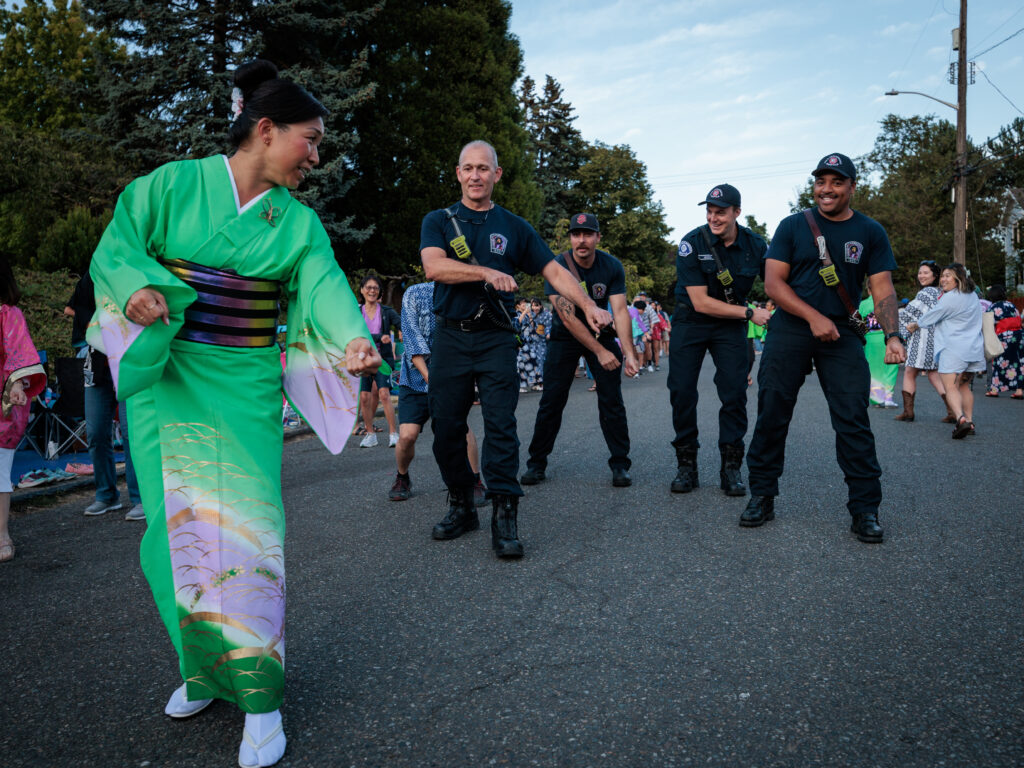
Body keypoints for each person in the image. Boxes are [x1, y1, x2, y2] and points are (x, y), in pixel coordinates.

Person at [87, 60, 380, 768]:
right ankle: (203, 670)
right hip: (170, 379)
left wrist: (351, 340)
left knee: (246, 536)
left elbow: (326, 289)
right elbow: (115, 249)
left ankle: (260, 700)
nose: (316, 154)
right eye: (308, 139)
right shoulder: (170, 186)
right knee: (173, 533)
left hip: (243, 380)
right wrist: (132, 292)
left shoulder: (299, 223)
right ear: (265, 128)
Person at [420, 140, 611, 559]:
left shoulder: (514, 226)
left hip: (495, 338)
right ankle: (461, 502)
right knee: (447, 427)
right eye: (468, 168)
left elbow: (554, 271)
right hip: (451, 336)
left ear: (496, 174)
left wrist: (589, 305)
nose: (475, 176)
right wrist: (485, 271)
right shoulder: (438, 220)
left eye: (483, 169)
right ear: (458, 173)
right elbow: (434, 266)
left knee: (501, 426)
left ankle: (505, 514)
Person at [741, 154, 906, 543]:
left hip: (843, 335)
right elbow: (774, 285)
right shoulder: (793, 226)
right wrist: (813, 317)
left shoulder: (870, 231)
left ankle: (865, 508)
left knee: (853, 420)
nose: (826, 189)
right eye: (821, 181)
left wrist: (894, 335)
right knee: (772, 414)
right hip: (790, 331)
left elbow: (881, 288)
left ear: (851, 187)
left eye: (836, 182)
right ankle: (761, 495)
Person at [520, 213, 639, 487]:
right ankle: (536, 463)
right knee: (552, 401)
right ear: (570, 237)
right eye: (576, 234)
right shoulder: (558, 265)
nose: (581, 240)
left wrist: (629, 353)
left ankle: (620, 464)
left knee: (612, 401)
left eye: (587, 234)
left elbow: (620, 311)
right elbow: (567, 317)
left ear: (598, 237)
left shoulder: (611, 266)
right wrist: (599, 352)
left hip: (603, 334)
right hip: (565, 337)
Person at [668, 184, 770, 496]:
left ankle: (731, 468)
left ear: (737, 212)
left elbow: (777, 282)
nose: (714, 217)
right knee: (682, 391)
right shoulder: (692, 242)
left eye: (721, 212)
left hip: (729, 326)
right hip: (692, 320)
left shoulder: (756, 245)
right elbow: (701, 302)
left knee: (734, 393)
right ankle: (687, 466)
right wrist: (751, 313)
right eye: (710, 211)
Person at [388, 280, 485, 504]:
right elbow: (411, 340)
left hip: (450, 374)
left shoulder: (463, 292)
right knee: (407, 435)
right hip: (415, 377)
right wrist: (431, 379)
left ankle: (475, 480)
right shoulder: (415, 292)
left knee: (461, 427)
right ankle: (402, 477)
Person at [65, 272, 145, 520]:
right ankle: (106, 496)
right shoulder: (91, 277)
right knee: (97, 430)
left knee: (133, 433)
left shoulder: (135, 274)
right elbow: (70, 309)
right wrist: (96, 326)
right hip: (96, 358)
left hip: (130, 358)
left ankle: (140, 498)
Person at [0, 256, 46, 563]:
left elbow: (19, 354)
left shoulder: (9, 314)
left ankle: (2, 534)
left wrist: (17, 383)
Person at [907, 263, 984, 438]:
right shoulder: (973, 296)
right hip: (973, 348)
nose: (943, 279)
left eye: (948, 276)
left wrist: (916, 324)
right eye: (942, 276)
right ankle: (970, 421)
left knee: (950, 387)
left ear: (958, 278)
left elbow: (932, 315)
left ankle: (961, 419)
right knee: (963, 386)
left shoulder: (950, 297)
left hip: (954, 348)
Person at [895, 261, 953, 422]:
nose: (921, 275)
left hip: (923, 338)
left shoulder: (925, 293)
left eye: (926, 273)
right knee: (934, 374)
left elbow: (908, 313)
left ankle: (908, 412)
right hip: (938, 337)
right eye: (920, 272)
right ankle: (953, 410)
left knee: (909, 372)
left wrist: (894, 326)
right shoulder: (941, 292)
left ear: (935, 276)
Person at [356, 273, 401, 447]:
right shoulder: (356, 312)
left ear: (379, 292)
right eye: (368, 287)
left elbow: (400, 323)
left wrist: (401, 331)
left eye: (375, 288)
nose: (372, 291)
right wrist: (379, 337)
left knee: (383, 394)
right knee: (365, 397)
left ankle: (393, 434)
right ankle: (370, 434)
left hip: (382, 360)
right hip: (363, 360)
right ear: (362, 290)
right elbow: (358, 335)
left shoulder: (386, 312)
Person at [859, 288, 899, 408]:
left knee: (874, 370)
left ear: (868, 289)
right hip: (887, 337)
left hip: (870, 338)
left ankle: (877, 398)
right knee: (890, 367)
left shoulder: (863, 304)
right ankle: (888, 397)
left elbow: (859, 322)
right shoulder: (888, 302)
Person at [983, 284, 1022, 399]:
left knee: (999, 362)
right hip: (1018, 335)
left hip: (1003, 336)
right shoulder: (1011, 304)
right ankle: (1019, 390)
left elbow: (988, 325)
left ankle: (994, 389)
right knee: (1018, 362)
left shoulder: (992, 307)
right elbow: (1018, 317)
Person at [520, 297, 550, 392]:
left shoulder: (546, 314)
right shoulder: (530, 314)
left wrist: (548, 333)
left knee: (541, 361)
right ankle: (536, 383)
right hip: (531, 342)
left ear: (541, 305)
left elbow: (549, 326)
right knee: (534, 363)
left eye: (536, 305)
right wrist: (529, 315)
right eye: (532, 305)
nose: (534, 308)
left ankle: (542, 383)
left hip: (542, 342)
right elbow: (528, 327)